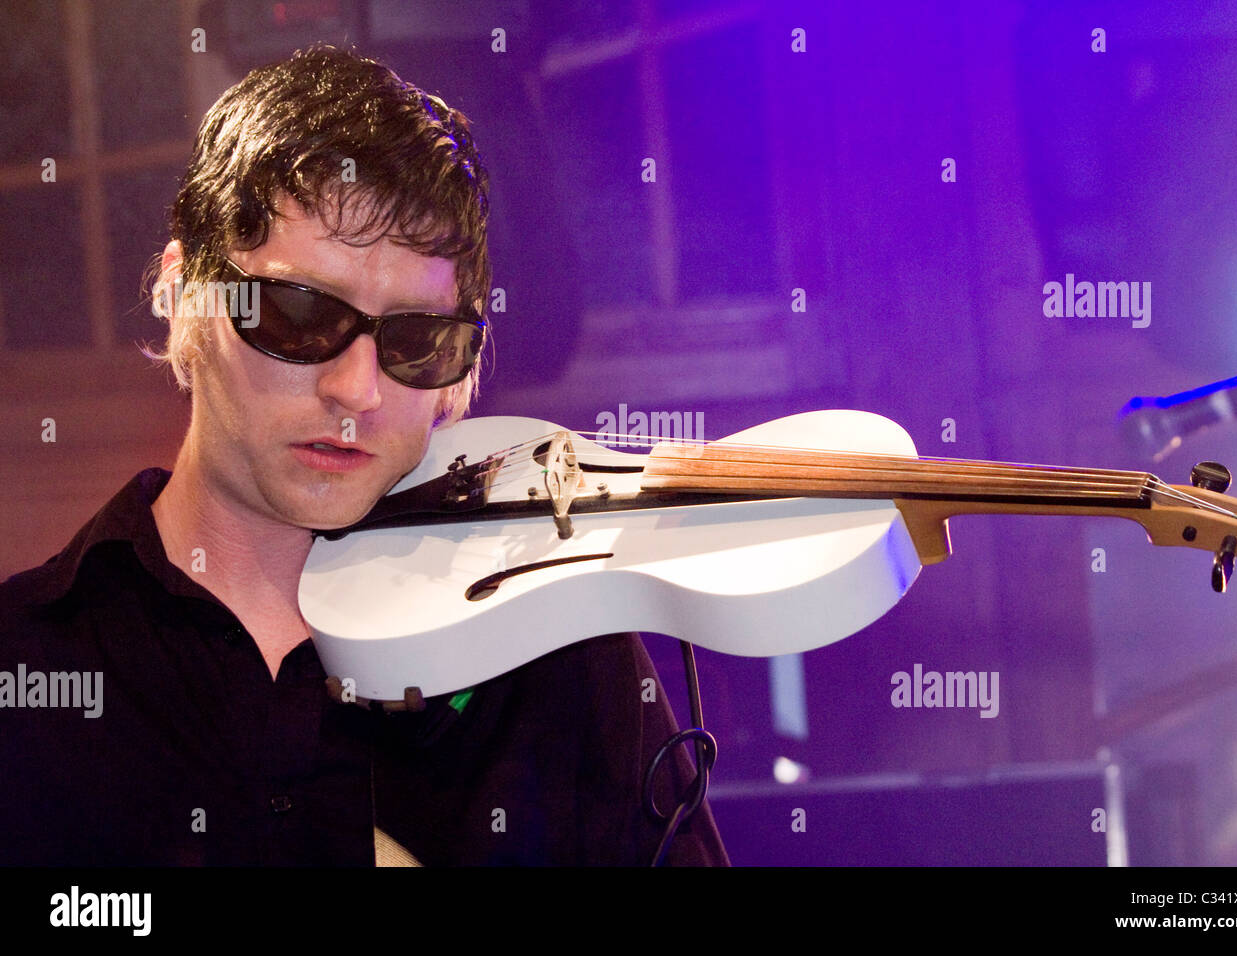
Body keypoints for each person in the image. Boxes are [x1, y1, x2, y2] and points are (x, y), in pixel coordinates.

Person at [0, 45, 728, 866]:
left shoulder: (561, 655)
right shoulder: (24, 662)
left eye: (416, 341)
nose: (357, 390)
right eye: (299, 317)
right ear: (183, 295)